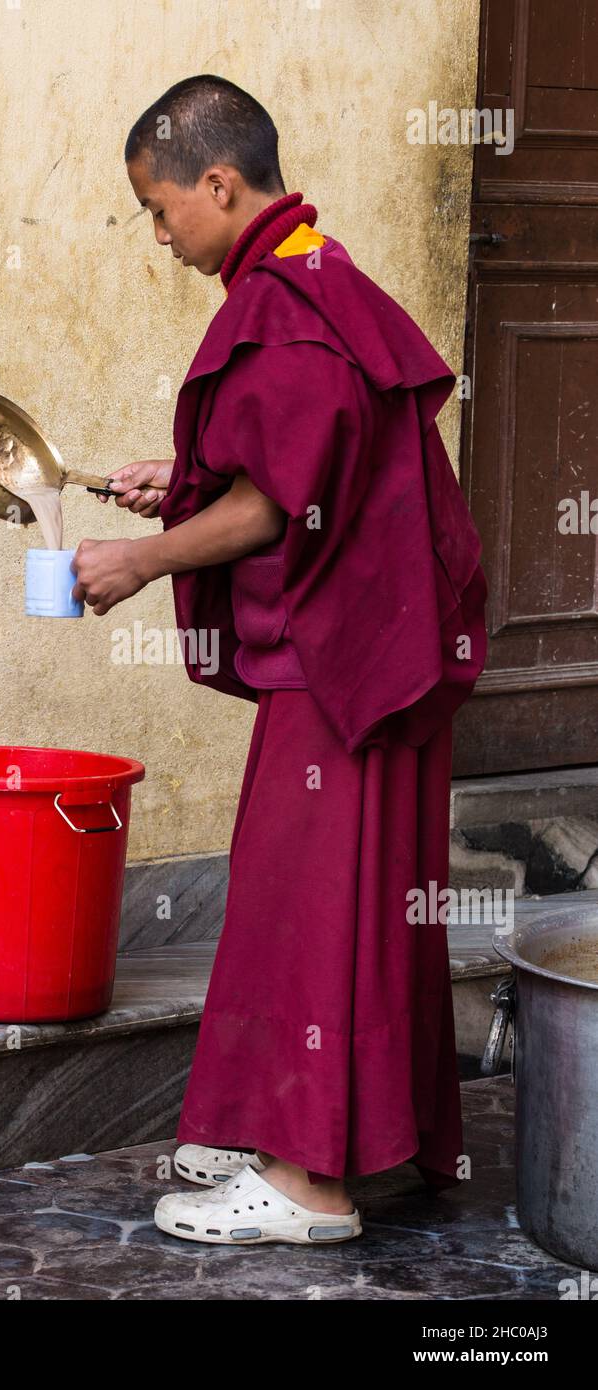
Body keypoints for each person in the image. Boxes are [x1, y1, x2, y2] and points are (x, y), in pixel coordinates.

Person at [70, 74, 488, 1248]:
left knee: (315, 907)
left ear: (218, 183)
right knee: (334, 903)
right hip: (378, 640)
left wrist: (144, 557)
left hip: (344, 659)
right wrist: (183, 482)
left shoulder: (283, 302)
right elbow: (300, 471)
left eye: (159, 212)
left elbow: (271, 506)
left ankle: (310, 1189)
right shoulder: (314, 274)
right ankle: (347, 1140)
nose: (159, 239)